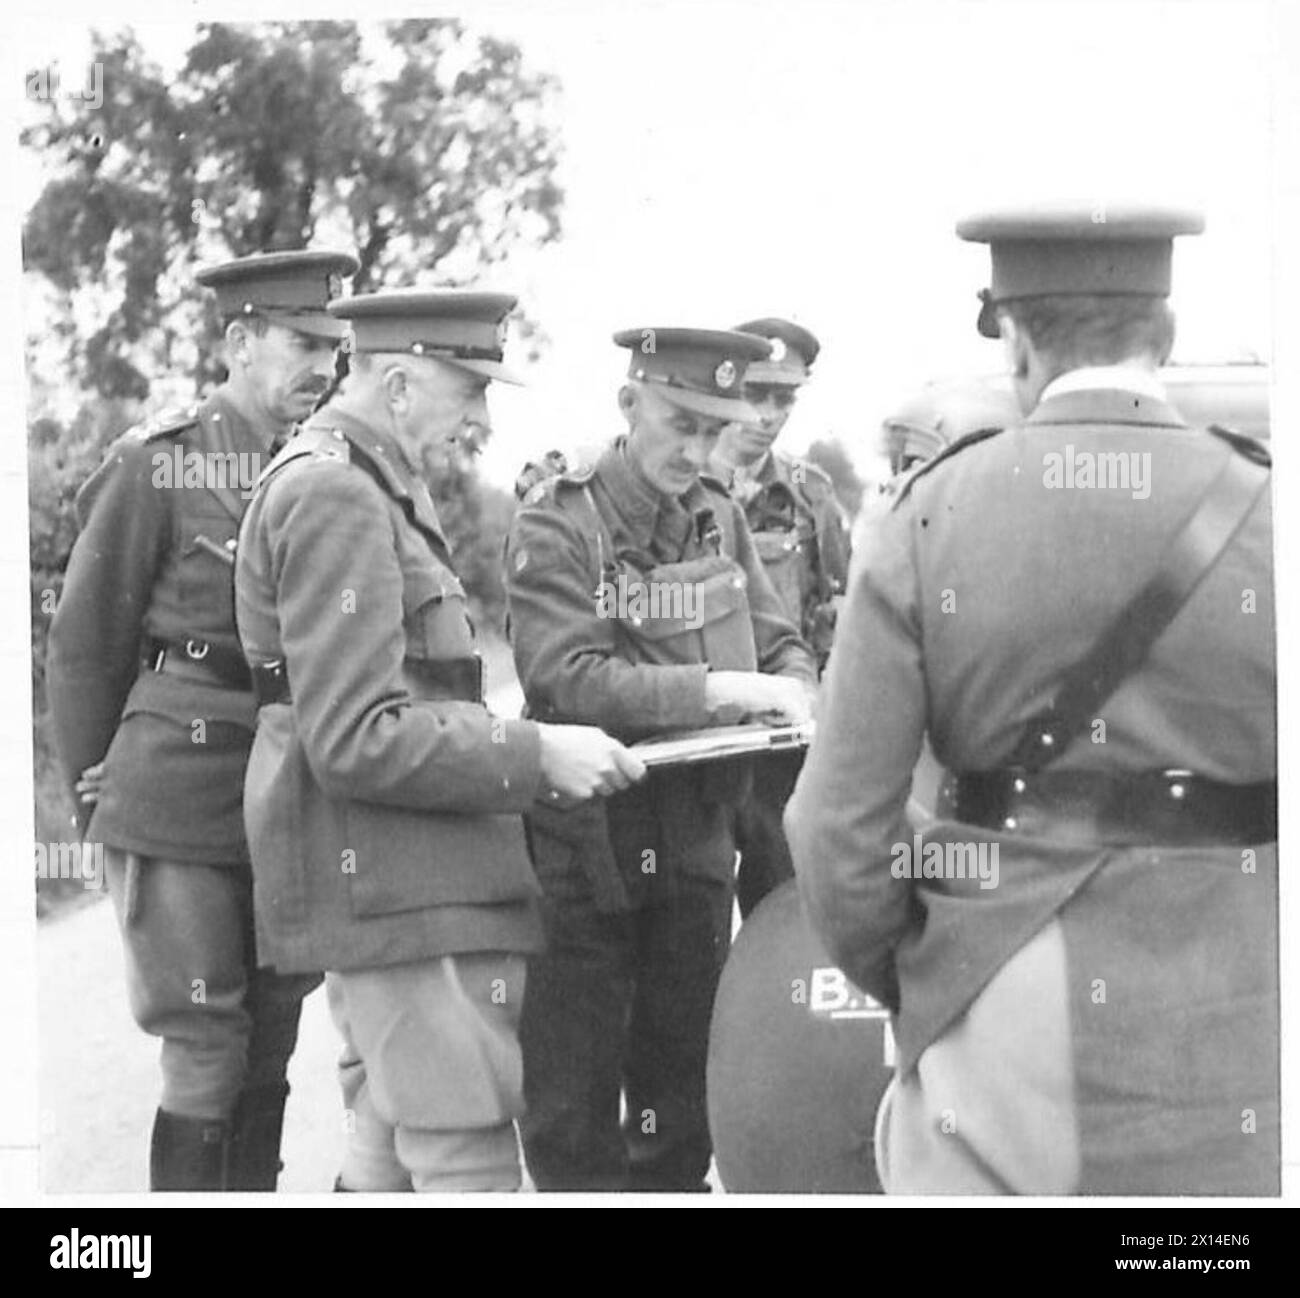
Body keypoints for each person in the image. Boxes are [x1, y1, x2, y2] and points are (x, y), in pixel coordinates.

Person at [786, 204, 1277, 1195]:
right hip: (1246, 1003)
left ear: (1013, 340)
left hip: (1000, 998)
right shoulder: (1272, 509)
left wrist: (928, 976)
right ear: (1166, 333)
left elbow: (834, 826)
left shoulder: (929, 511)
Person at [234, 289, 641, 1192]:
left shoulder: (365, 480)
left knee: (386, 1149)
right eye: (472, 391)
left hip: (398, 885)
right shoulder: (338, 492)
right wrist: (534, 755)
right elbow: (354, 736)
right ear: (403, 383)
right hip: (400, 893)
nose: (484, 420)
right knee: (465, 1159)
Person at [46, 249, 358, 1191]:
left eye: (336, 348)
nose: (324, 366)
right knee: (204, 1040)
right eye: (304, 342)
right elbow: (85, 644)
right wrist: (93, 785)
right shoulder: (160, 463)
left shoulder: (332, 469)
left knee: (272, 1041)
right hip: (175, 793)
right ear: (238, 340)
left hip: (285, 795)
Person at [504, 326, 818, 1190]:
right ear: (628, 401)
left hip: (695, 841)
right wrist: (718, 690)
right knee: (573, 1111)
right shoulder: (557, 517)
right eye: (680, 423)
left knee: (680, 1106)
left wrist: (792, 689)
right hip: (587, 844)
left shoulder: (717, 513)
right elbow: (565, 677)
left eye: (714, 430)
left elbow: (781, 638)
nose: (698, 449)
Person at [705, 318, 850, 917]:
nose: (767, 416)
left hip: (781, 751)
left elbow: (837, 618)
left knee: (784, 913)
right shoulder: (677, 485)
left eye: (782, 399)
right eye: (753, 396)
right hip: (696, 742)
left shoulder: (810, 496)